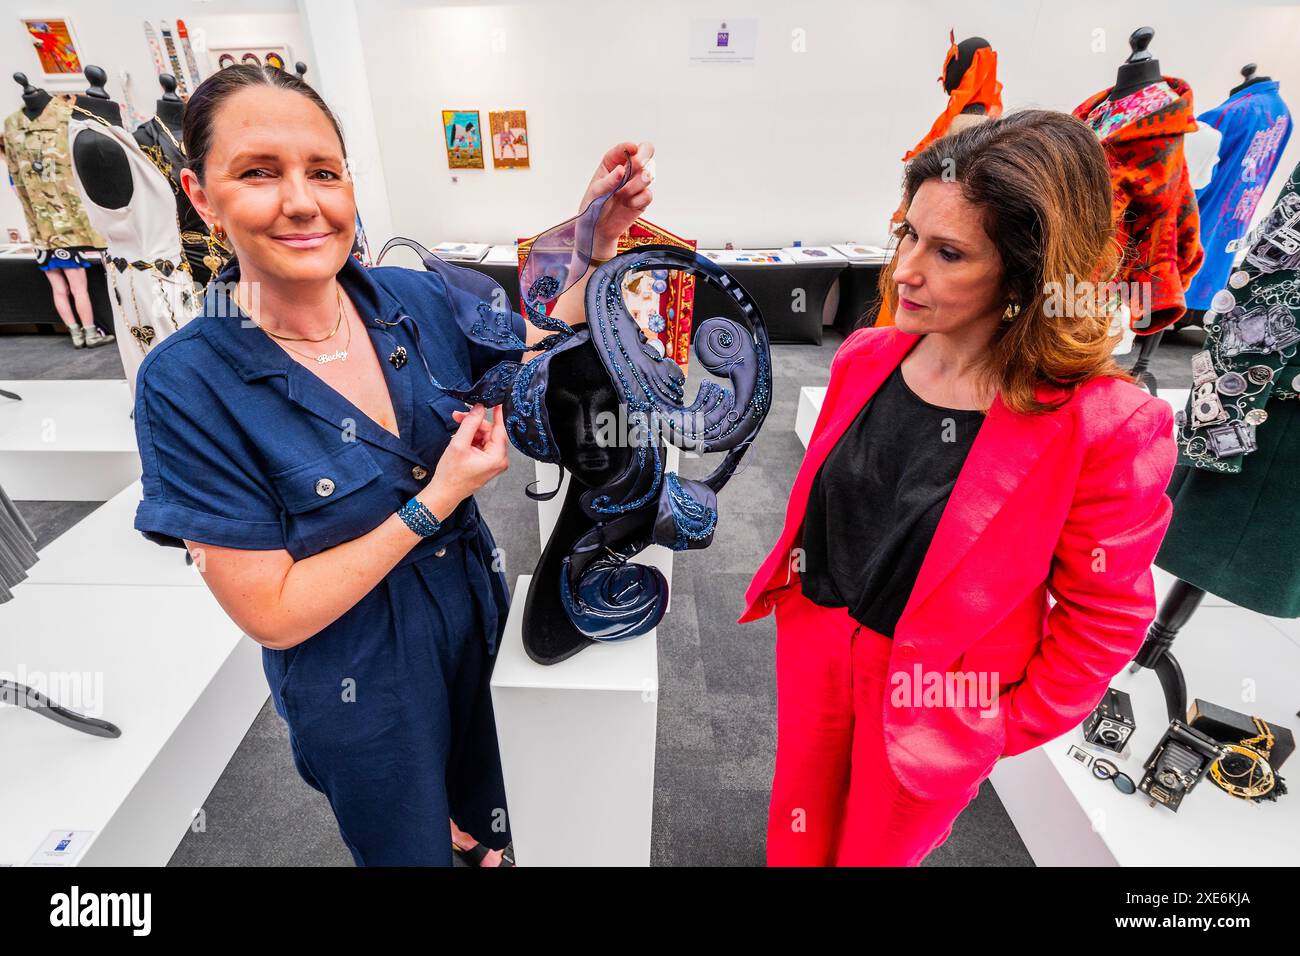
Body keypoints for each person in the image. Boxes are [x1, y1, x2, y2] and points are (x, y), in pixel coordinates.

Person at [131, 64, 655, 866]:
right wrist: (434, 500)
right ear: (201, 196)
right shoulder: (187, 384)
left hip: (478, 628)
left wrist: (599, 239)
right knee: (410, 847)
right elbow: (270, 610)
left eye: (324, 172)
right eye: (258, 173)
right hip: (360, 682)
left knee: (502, 821)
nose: (302, 201)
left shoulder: (413, 297)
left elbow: (540, 351)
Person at [740, 110, 1177, 866]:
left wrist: (999, 724)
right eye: (909, 233)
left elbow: (1103, 618)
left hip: (937, 694)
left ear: (1026, 271)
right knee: (798, 830)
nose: (906, 268)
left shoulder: (1104, 425)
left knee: (875, 855)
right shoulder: (868, 357)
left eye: (948, 252)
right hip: (815, 639)